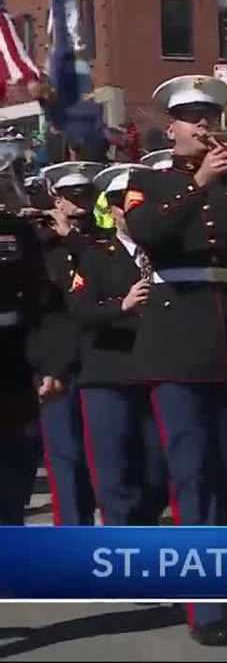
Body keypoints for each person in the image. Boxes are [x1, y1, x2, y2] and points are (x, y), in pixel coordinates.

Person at [123, 74, 227, 645]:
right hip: (177, 338)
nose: (204, 125)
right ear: (171, 127)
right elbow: (149, 233)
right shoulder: (147, 179)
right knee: (192, 470)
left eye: (211, 116)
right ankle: (206, 603)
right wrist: (198, 183)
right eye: (192, 116)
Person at [68, 164, 168, 526]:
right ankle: (121, 550)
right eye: (126, 204)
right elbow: (77, 311)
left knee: (158, 471)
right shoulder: (97, 255)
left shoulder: (165, 251)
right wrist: (121, 306)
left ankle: (145, 530)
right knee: (114, 474)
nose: (134, 210)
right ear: (112, 211)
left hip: (157, 372)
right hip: (108, 376)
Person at [31, 160, 106, 526]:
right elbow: (45, 311)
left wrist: (73, 239)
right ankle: (73, 534)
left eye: (86, 195)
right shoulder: (39, 245)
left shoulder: (99, 241)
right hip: (60, 361)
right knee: (66, 454)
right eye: (71, 197)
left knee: (107, 455)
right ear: (55, 200)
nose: (80, 205)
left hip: (103, 357)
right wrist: (49, 366)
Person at [0, 185, 49, 525]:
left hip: (14, 358)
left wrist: (50, 363)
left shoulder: (15, 232)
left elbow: (41, 296)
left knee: (17, 458)